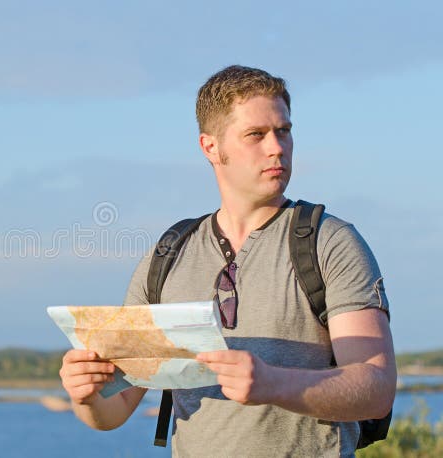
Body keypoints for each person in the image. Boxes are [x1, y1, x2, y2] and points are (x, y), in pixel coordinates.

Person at [58, 65, 396, 456]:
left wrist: (273, 384)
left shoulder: (330, 242)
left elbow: (377, 389)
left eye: (283, 131)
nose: (277, 147)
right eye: (256, 135)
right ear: (210, 147)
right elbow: (115, 409)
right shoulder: (168, 254)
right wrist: (85, 396)